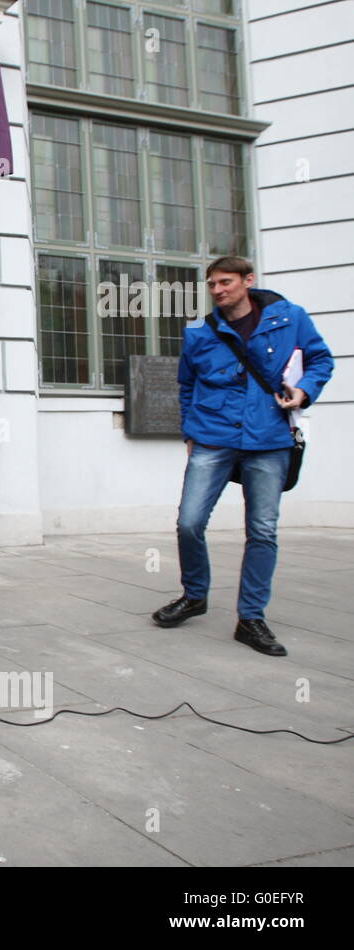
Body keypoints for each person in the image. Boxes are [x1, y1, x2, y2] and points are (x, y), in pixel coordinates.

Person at [152, 256, 333, 655]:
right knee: (188, 522)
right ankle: (195, 595)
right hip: (212, 437)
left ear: (248, 281)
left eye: (226, 282)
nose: (217, 290)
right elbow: (187, 384)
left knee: (262, 531)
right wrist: (189, 432)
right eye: (212, 284)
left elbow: (321, 360)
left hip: (269, 438)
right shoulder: (198, 330)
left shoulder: (290, 318)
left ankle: (251, 618)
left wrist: (304, 391)